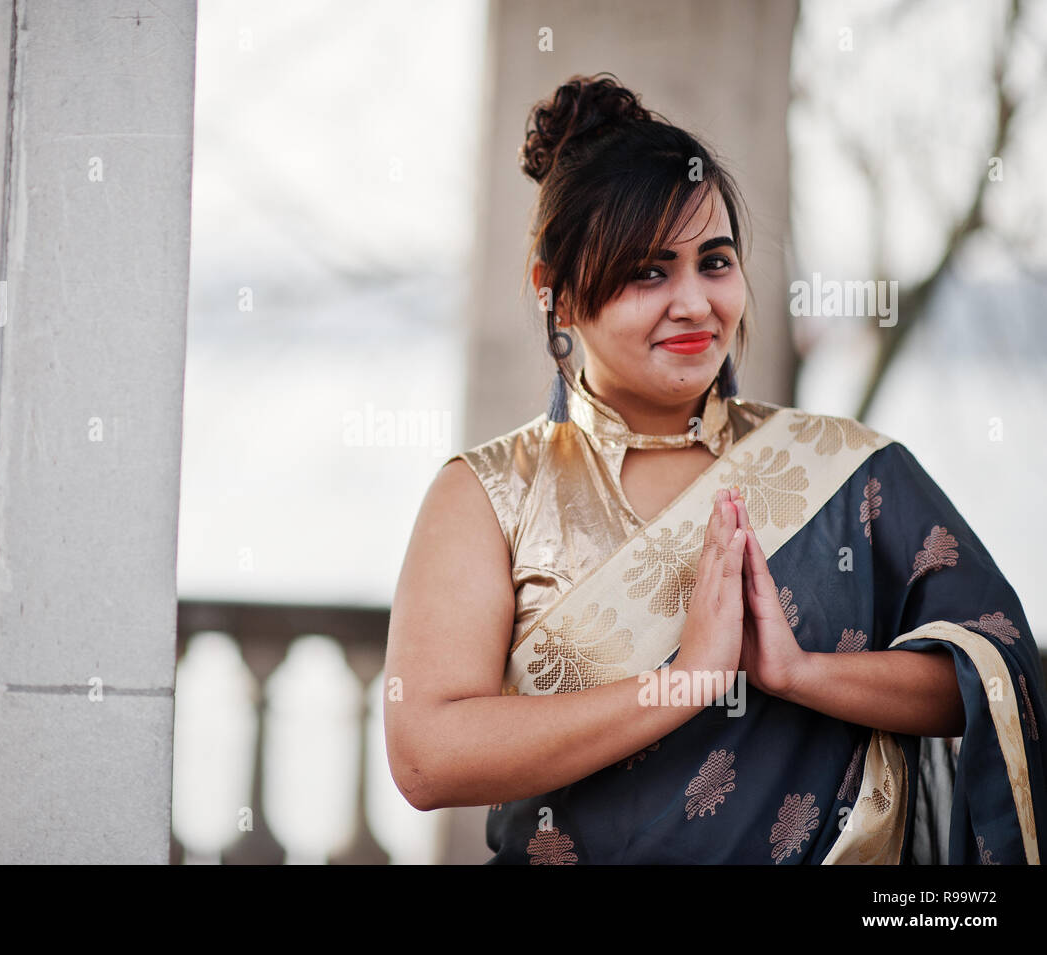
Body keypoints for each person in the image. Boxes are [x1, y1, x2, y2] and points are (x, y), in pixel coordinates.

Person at [382, 72, 1046, 864]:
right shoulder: (490, 495)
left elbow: (995, 671)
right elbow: (426, 753)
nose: (696, 303)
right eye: (648, 272)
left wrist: (800, 672)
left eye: (715, 262)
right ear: (555, 296)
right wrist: (684, 682)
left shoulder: (844, 469)